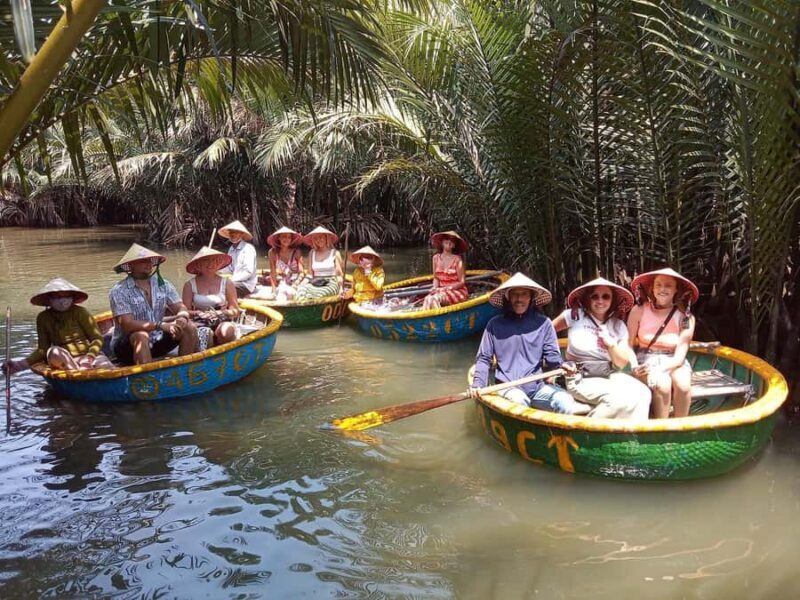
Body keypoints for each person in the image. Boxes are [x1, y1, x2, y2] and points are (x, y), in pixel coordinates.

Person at [471, 273, 588, 414]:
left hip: (537, 387)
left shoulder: (544, 324)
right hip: (507, 387)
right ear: (508, 297)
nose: (519, 299)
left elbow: (553, 356)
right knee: (519, 401)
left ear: (531, 297)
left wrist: (563, 366)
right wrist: (478, 384)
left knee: (565, 402)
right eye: (514, 294)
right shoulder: (494, 325)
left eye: (524, 294)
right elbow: (484, 358)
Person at [552, 277, 650, 420]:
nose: (600, 301)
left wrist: (610, 344)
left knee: (643, 393)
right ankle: (586, 433)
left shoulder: (618, 325)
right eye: (595, 296)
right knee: (617, 400)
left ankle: (631, 436)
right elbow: (546, 332)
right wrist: (553, 362)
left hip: (610, 374)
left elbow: (621, 363)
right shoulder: (574, 315)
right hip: (580, 376)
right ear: (588, 299)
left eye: (606, 297)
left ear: (613, 300)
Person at [108, 243, 198, 365]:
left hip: (158, 339)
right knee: (140, 335)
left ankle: (185, 370)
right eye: (142, 261)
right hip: (127, 346)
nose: (148, 263)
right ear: (130, 266)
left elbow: (180, 307)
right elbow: (128, 324)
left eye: (149, 260)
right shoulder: (119, 290)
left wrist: (182, 316)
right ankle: (147, 380)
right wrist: (160, 325)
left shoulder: (163, 284)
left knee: (189, 327)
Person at [627, 267, 698, 418]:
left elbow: (679, 357)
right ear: (652, 288)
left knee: (683, 386)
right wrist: (634, 366)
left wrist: (660, 368)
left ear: (676, 290)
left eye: (668, 285)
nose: (662, 289)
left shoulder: (685, 317)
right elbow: (628, 344)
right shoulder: (638, 310)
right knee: (663, 385)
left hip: (673, 361)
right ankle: (662, 429)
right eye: (658, 284)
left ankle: (681, 428)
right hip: (646, 358)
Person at [3, 278, 113, 374]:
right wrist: (20, 365)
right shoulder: (43, 318)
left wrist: (89, 358)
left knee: (107, 368)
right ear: (49, 299)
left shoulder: (81, 312)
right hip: (64, 361)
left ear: (72, 298)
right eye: (57, 297)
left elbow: (97, 338)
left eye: (66, 296)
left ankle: (83, 372)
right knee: (53, 351)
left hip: (89, 356)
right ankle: (76, 374)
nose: (62, 301)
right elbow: (42, 350)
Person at [182, 246, 240, 348]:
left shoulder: (227, 283)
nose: (210, 264)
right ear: (198, 265)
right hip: (199, 322)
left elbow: (235, 311)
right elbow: (184, 312)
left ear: (218, 263)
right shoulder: (189, 285)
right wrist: (198, 313)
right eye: (205, 261)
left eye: (214, 260)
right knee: (201, 334)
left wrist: (220, 313)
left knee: (227, 332)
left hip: (222, 319)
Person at [294, 226, 344, 301]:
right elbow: (310, 274)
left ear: (326, 238)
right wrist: (301, 283)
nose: (318, 240)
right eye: (316, 238)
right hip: (315, 281)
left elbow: (339, 275)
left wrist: (341, 289)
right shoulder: (312, 253)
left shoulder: (335, 253)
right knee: (300, 292)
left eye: (321, 237)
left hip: (331, 282)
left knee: (320, 295)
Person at [422, 231, 469, 310]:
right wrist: (434, 287)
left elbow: (462, 282)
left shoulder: (457, 259)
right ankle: (429, 321)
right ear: (442, 242)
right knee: (427, 299)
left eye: (452, 240)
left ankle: (437, 320)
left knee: (434, 299)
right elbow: (436, 278)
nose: (449, 241)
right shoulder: (435, 258)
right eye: (447, 239)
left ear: (454, 245)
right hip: (441, 290)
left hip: (456, 290)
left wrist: (446, 288)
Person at [218, 220, 258, 298]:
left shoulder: (248, 248)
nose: (233, 235)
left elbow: (248, 271)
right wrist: (216, 268)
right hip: (235, 281)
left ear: (241, 234)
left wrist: (232, 280)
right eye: (231, 232)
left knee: (222, 287)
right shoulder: (231, 249)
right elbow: (230, 269)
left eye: (236, 232)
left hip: (247, 284)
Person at [266, 226, 305, 302]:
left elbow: (302, 272)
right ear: (279, 238)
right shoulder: (272, 253)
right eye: (284, 237)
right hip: (284, 281)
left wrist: (295, 284)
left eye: (289, 237)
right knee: (281, 292)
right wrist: (273, 290)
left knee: (291, 293)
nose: (286, 239)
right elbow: (273, 273)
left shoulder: (296, 252)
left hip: (298, 281)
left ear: (291, 239)